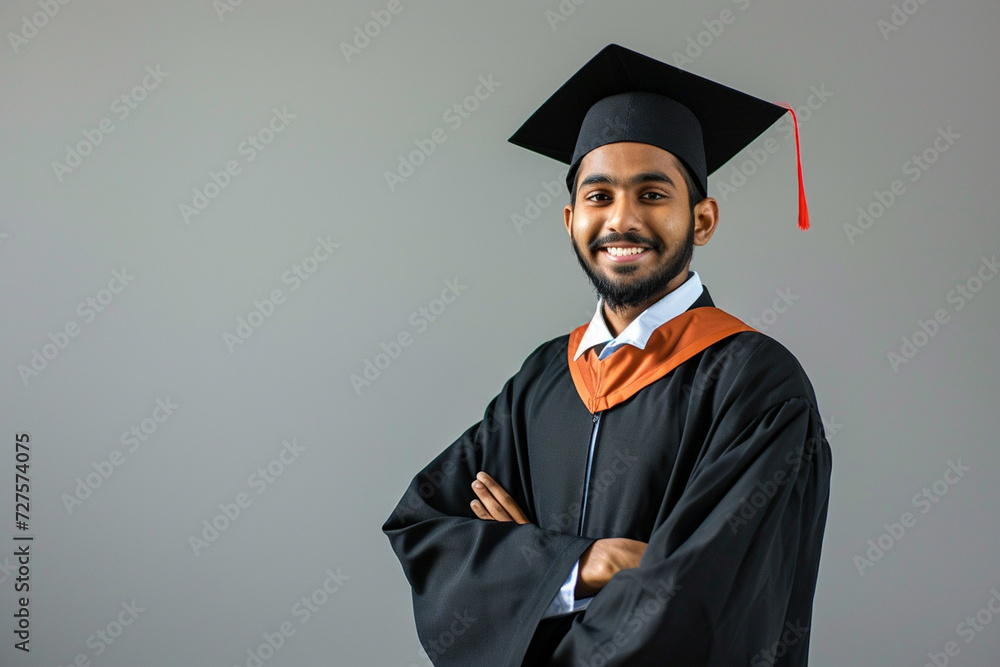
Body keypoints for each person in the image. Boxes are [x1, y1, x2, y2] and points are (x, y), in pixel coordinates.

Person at [382, 43, 832, 666]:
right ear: (570, 219)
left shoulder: (754, 383)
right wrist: (584, 562)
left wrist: (528, 569)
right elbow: (426, 529)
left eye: (653, 194)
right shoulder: (542, 380)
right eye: (599, 197)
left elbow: (705, 601)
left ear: (702, 219)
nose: (622, 220)